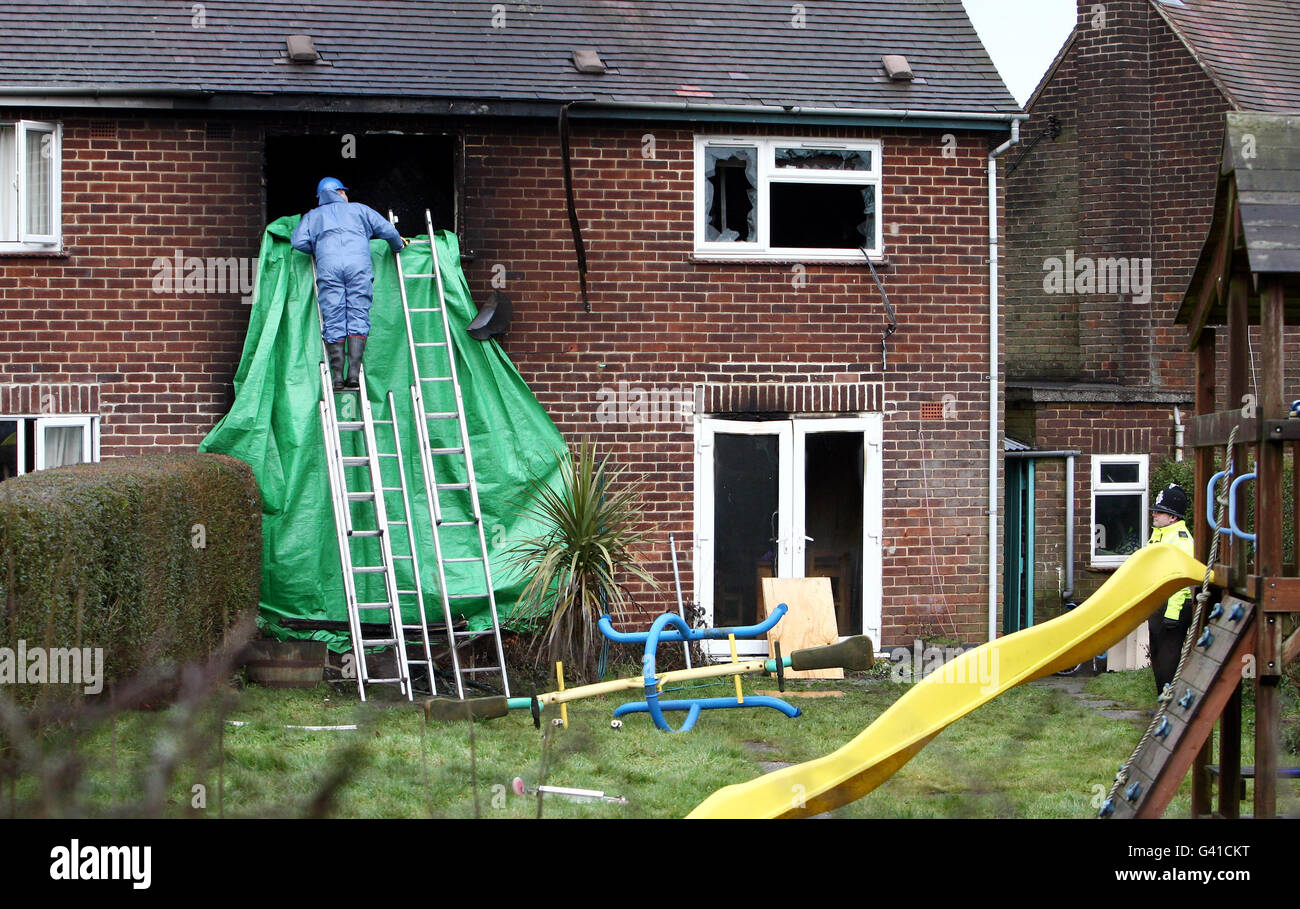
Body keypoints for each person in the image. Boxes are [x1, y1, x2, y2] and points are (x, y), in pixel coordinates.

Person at [291, 177, 406, 391]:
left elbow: (297, 241)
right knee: (358, 313)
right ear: (339, 192)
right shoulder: (360, 210)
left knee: (333, 315)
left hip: (329, 267)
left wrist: (318, 248)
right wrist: (398, 246)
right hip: (358, 266)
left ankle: (337, 377)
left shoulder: (313, 216)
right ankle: (353, 374)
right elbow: (389, 232)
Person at [1145, 483, 1195, 696]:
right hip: (1158, 604)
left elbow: (1179, 580)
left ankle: (1169, 704)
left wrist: (1172, 613)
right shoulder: (1160, 534)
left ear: (1173, 517)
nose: (1154, 514)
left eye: (1159, 511)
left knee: (1168, 658)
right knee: (1156, 655)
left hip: (1172, 606)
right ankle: (1161, 701)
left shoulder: (1180, 540)